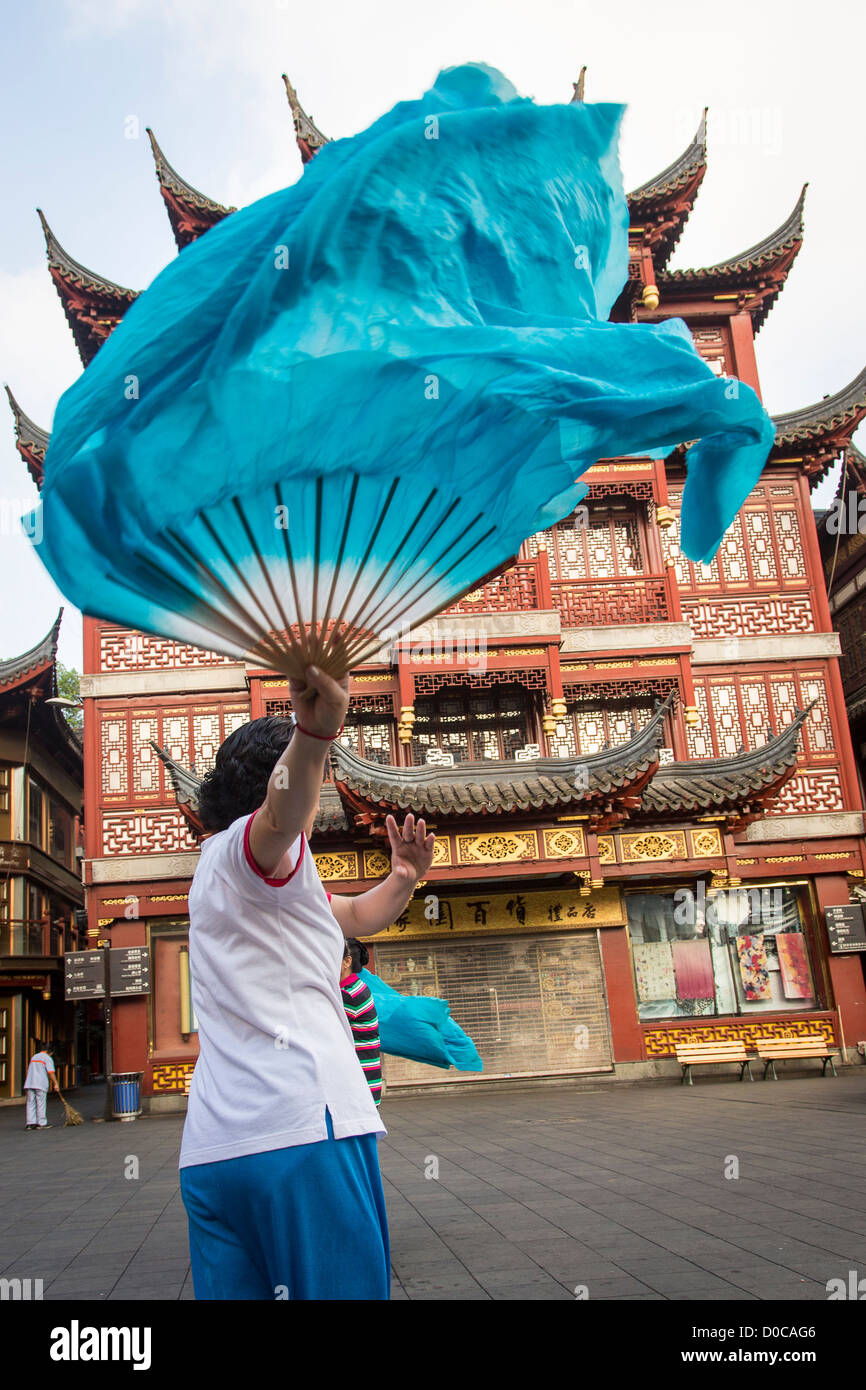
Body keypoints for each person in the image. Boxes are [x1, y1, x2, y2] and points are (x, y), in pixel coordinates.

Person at [178, 666, 434, 1301]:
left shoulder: (242, 874)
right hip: (300, 1134)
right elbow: (277, 820)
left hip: (216, 1154)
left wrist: (402, 876)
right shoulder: (252, 848)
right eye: (318, 779)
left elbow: (355, 916)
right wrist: (314, 734)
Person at [340, 939, 383, 1106]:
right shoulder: (358, 986)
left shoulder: (348, 995)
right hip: (364, 1082)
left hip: (359, 1085)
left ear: (347, 961)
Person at [24, 1040, 60, 1129]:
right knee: (41, 1103)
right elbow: (51, 1072)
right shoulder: (47, 1058)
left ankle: (30, 1123)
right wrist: (56, 1083)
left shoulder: (34, 1057)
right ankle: (42, 1123)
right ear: (51, 1052)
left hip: (30, 1083)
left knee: (30, 1102)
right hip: (40, 1083)